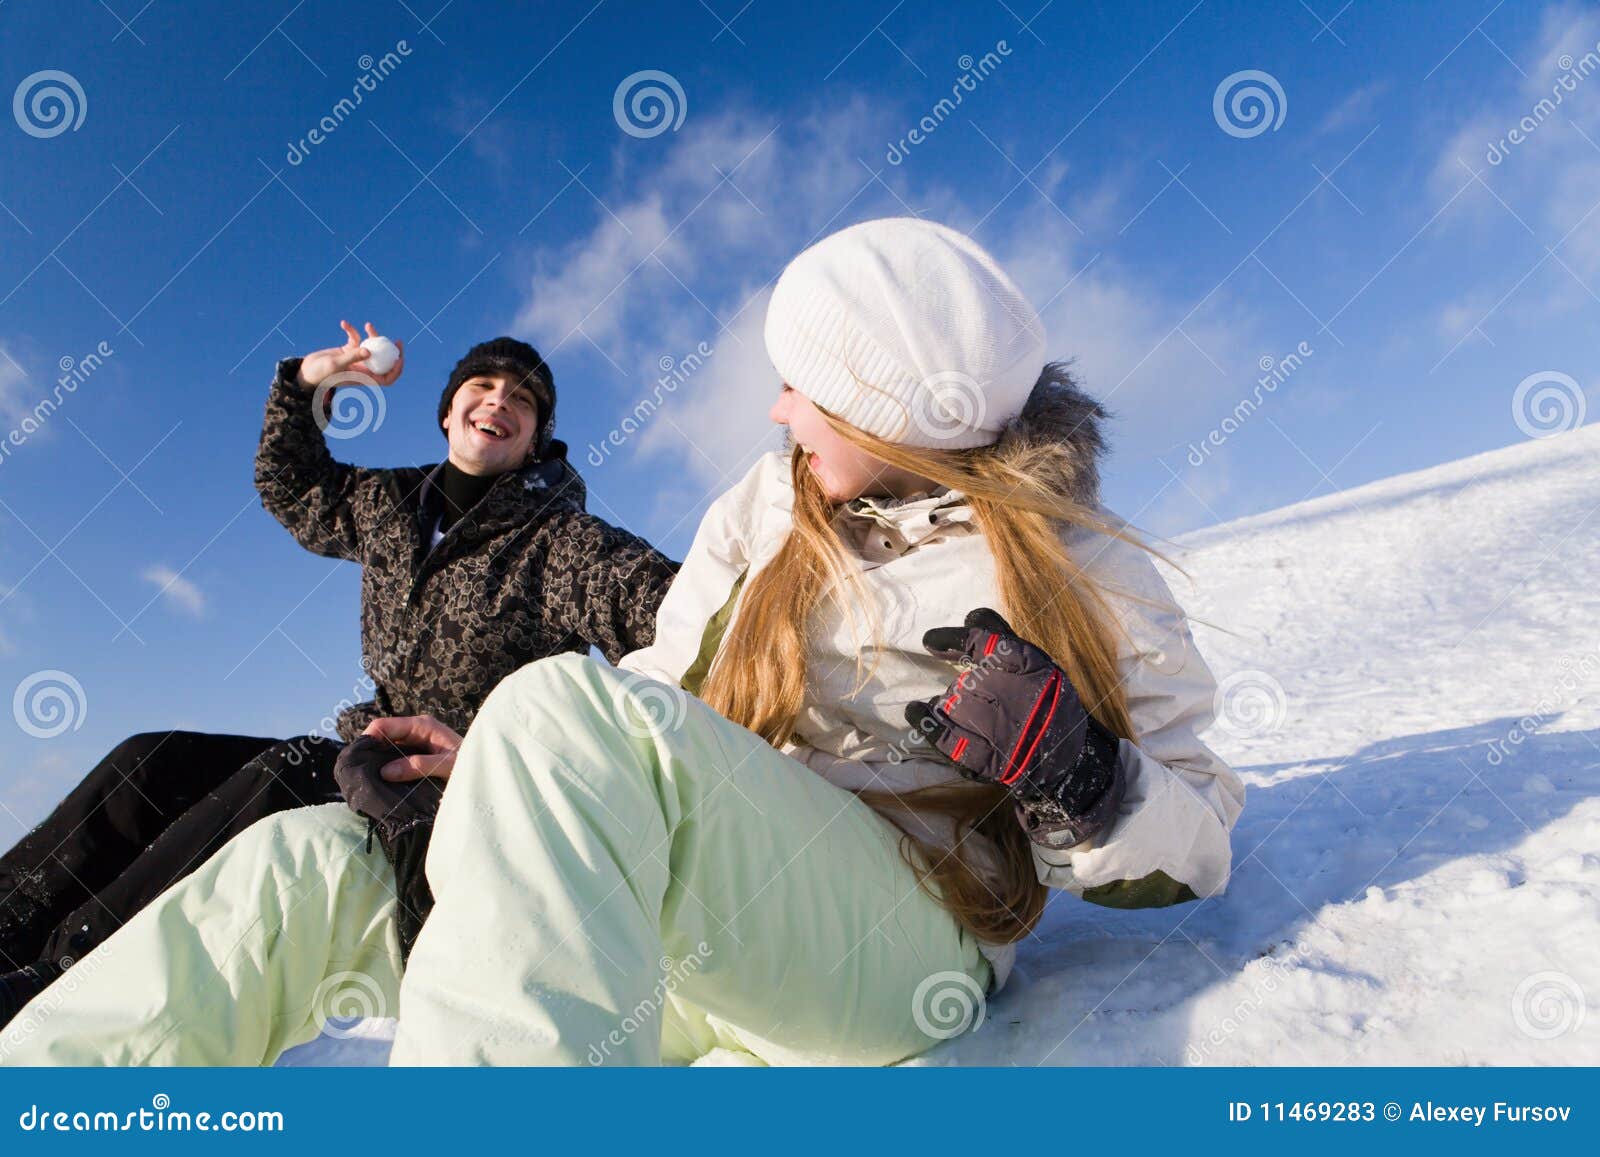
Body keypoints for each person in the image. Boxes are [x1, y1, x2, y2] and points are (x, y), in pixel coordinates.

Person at [1, 219, 1244, 1067]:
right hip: (693, 927)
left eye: (804, 383)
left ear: (896, 409)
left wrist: (1086, 780)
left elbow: (1194, 846)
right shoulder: (761, 510)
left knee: (552, 708)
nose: (774, 405)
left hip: (890, 944)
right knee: (306, 858)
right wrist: (478, 757)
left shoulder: (1077, 564)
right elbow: (657, 703)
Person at [0, 323, 676, 1024]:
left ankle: (61, 976)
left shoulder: (565, 542)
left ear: (535, 439)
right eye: (483, 384)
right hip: (365, 756)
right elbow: (287, 483)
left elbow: (683, 621)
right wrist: (310, 381)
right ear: (448, 411)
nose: (500, 398)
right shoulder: (391, 507)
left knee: (282, 781)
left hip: (464, 790)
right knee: (152, 760)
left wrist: (505, 752)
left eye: (524, 398)